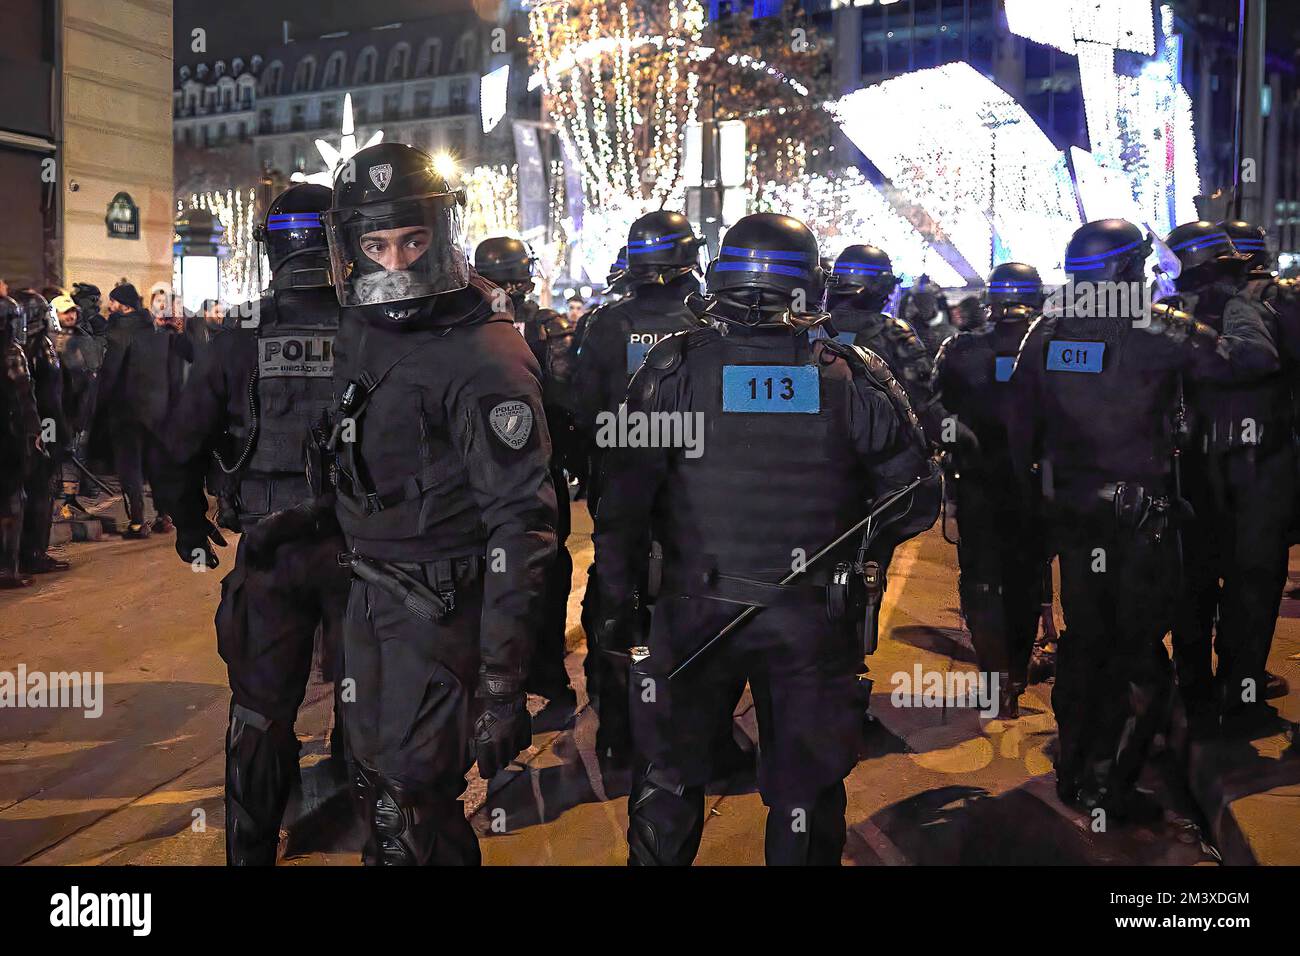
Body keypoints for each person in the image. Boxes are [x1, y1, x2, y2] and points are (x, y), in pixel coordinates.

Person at [593, 213, 940, 864]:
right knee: (804, 793)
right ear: (808, 285)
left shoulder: (672, 368)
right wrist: (853, 553)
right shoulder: (849, 374)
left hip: (694, 608)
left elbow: (623, 503)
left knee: (669, 778)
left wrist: (621, 611)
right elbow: (915, 495)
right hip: (810, 617)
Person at [308, 141, 555, 865]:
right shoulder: (358, 329)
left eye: (412, 239)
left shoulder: (486, 353)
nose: (394, 261)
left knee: (411, 805)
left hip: (442, 607)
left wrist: (505, 681)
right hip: (367, 596)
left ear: (441, 235)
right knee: (375, 788)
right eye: (375, 242)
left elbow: (523, 521)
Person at [1008, 218, 1278, 818]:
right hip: (1141, 522)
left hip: (1076, 520)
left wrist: (1040, 514)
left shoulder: (1043, 332)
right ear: (1129, 270)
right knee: (1136, 651)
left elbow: (1019, 437)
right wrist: (1233, 299)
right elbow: (1251, 359)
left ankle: (1074, 769)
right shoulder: (1159, 327)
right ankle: (1110, 783)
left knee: (1084, 645)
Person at [158, 183, 350, 866]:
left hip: (270, 551)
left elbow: (178, 442)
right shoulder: (377, 329)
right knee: (372, 698)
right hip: (366, 554)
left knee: (261, 711)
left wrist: (187, 522)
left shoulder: (240, 335)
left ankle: (251, 850)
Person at [569, 209, 709, 768]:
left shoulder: (605, 324)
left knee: (613, 601)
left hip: (622, 485)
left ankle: (617, 730)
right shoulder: (712, 320)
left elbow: (581, 411)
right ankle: (692, 733)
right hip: (696, 495)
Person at [1161, 221, 1296, 734]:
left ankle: (1222, 695)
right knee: (1226, 585)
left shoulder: (1232, 308)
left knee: (1232, 586)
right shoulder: (1207, 308)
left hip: (1233, 470)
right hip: (1226, 470)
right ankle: (1216, 695)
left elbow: (1254, 357)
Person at [932, 263, 1048, 717]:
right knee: (1024, 580)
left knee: (981, 582)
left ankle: (993, 681)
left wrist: (957, 438)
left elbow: (931, 408)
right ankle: (1015, 676)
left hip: (978, 482)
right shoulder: (1050, 344)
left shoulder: (959, 348)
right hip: (1036, 486)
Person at [475, 236, 578, 706]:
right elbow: (564, 396)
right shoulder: (546, 325)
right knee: (547, 574)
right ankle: (547, 677)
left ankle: (493, 684)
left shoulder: (468, 325)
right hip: (541, 469)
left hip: (480, 477)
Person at [825, 245, 947, 439]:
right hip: (879, 454)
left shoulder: (807, 328)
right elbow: (925, 402)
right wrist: (957, 438)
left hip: (818, 450)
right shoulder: (892, 332)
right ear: (882, 285)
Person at [97, 283, 182, 538]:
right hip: (159, 411)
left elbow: (109, 374)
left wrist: (97, 405)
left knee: (130, 466)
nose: (109, 307)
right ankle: (164, 516)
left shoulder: (119, 332)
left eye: (112, 302)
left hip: (127, 412)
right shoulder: (159, 333)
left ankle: (137, 521)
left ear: (123, 305)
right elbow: (174, 374)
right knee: (157, 464)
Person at [11, 291, 69, 574]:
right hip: (43, 428)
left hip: (23, 431)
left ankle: (21, 554)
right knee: (42, 491)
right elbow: (49, 399)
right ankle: (34, 552)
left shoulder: (16, 348)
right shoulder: (39, 348)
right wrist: (56, 435)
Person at [0, 294, 41, 588]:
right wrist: (36, 431)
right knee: (14, 501)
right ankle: (8, 568)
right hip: (9, 438)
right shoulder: (13, 352)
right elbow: (25, 397)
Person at [49, 294, 103, 515]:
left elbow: (91, 375)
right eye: (65, 312)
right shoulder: (47, 341)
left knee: (76, 452)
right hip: (55, 409)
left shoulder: (83, 338)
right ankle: (55, 498)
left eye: (72, 311)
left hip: (79, 408)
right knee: (54, 454)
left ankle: (69, 498)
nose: (70, 316)